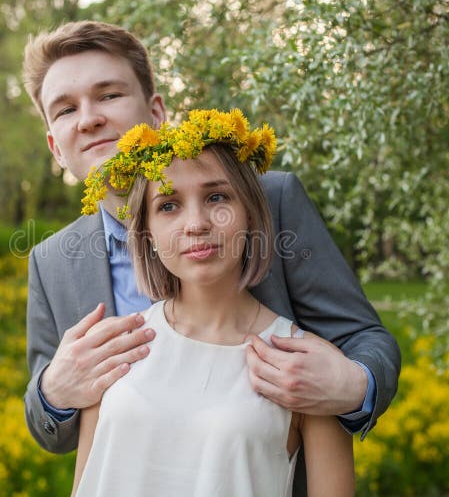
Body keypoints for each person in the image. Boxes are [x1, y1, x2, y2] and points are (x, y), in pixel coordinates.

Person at [21, 20, 400, 495]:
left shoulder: (269, 200)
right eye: (65, 109)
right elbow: (54, 430)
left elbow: (362, 335)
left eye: (109, 95)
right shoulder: (53, 261)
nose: (89, 118)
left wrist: (354, 388)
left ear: (156, 113)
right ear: (56, 145)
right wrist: (54, 392)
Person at [71, 111, 354, 496]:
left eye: (217, 197)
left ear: (251, 214)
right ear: (146, 232)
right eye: (168, 205)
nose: (196, 223)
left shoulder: (306, 366)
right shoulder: (115, 348)